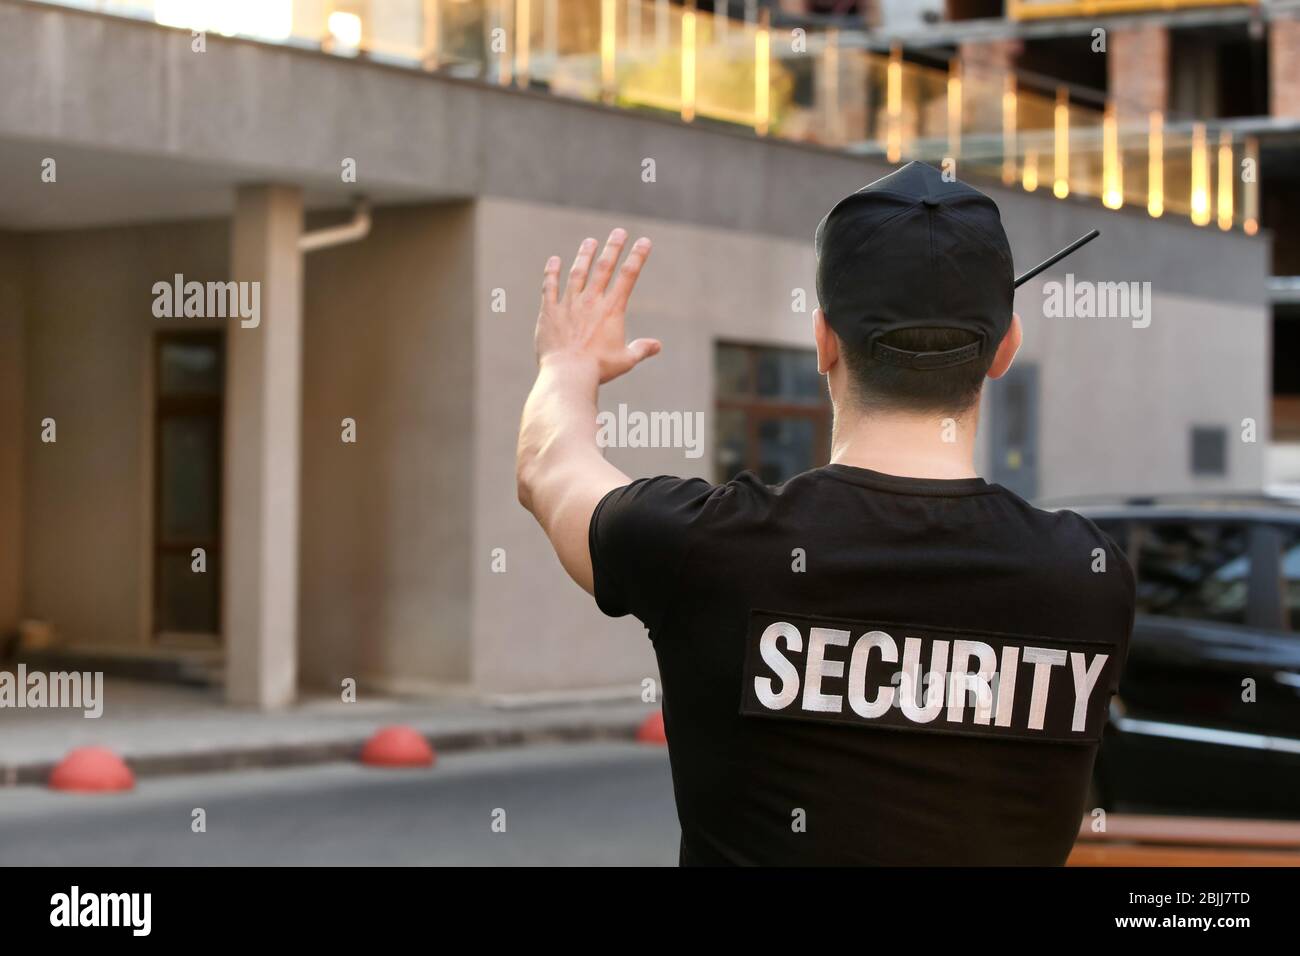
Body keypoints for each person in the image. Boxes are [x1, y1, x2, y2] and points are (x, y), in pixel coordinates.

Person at [515, 161, 1136, 865]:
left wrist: (567, 364)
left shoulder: (704, 546)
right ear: (1004, 349)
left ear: (825, 341)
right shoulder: (1091, 580)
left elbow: (547, 467)